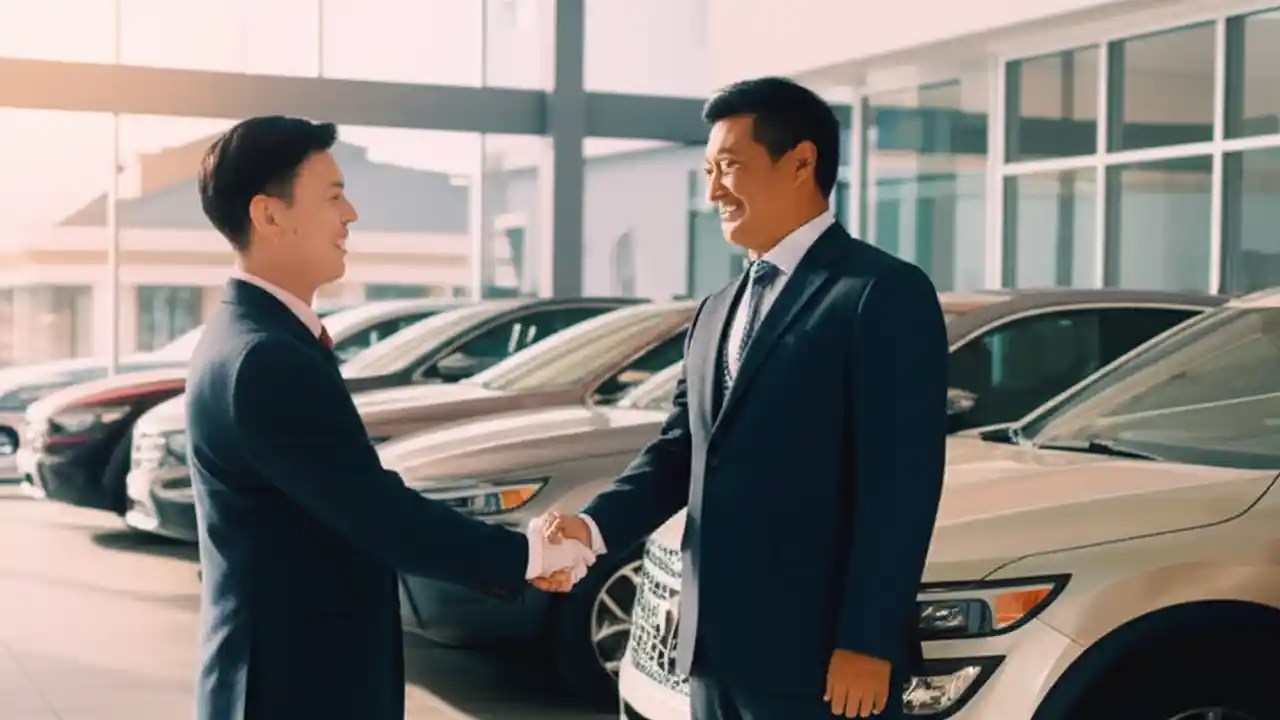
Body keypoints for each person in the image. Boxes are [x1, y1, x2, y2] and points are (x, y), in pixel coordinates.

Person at [536, 77, 948, 719]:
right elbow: (679, 456)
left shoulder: (880, 293)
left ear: (801, 162)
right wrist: (590, 529)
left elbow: (901, 488)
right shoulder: (716, 311)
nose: (713, 192)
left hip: (822, 664)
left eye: (729, 166)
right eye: (708, 171)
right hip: (713, 657)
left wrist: (868, 641)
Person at [186, 116, 593, 720]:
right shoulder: (266, 356)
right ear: (269, 215)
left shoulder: (246, 335)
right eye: (332, 197)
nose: (350, 214)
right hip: (296, 690)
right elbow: (377, 513)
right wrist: (529, 557)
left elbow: (348, 498)